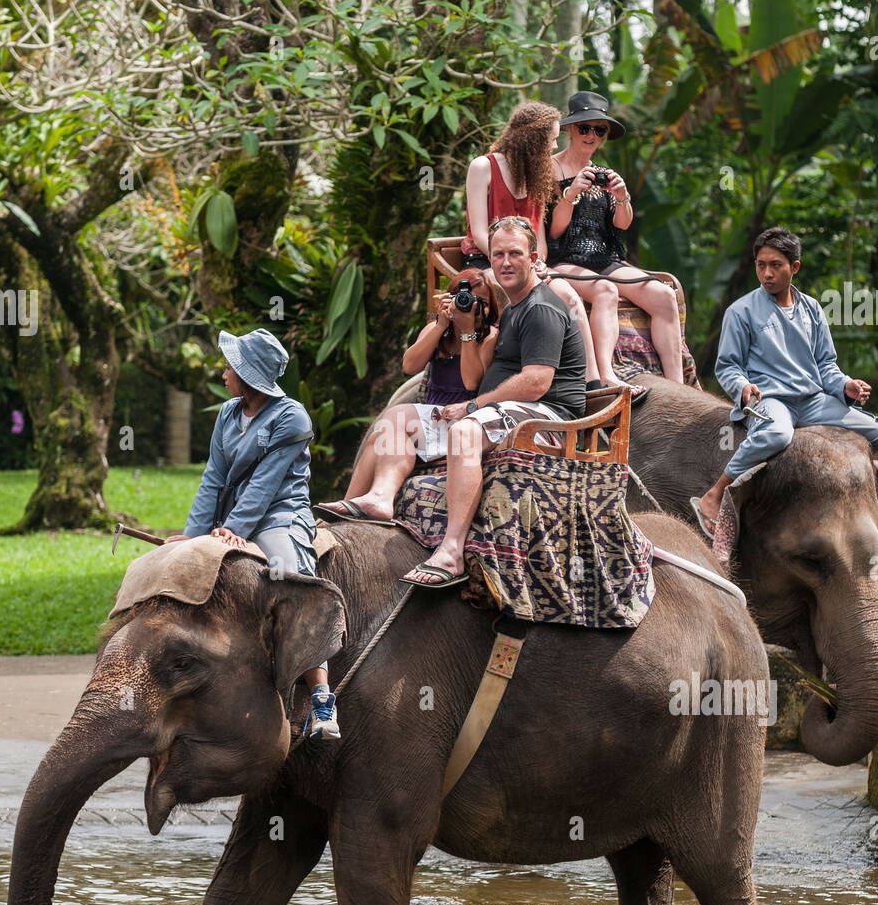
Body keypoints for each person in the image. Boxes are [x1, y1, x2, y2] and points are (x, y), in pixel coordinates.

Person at [321, 218, 589, 588]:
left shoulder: (540, 308)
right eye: (498, 254)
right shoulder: (512, 308)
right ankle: (373, 502)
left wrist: (474, 406)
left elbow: (536, 382)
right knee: (398, 416)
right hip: (505, 412)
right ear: (490, 260)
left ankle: (451, 551)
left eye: (515, 253)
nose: (506, 262)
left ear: (534, 257)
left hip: (549, 419)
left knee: (465, 430)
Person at [167, 329, 340, 740]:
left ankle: (321, 700)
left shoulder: (291, 417)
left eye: (231, 366)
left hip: (280, 516)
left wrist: (234, 530)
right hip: (232, 518)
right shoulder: (228, 413)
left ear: (249, 373)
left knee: (291, 581)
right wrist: (193, 537)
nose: (224, 372)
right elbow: (213, 478)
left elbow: (265, 483)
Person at [692, 228, 878, 536]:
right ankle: (716, 492)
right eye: (761, 265)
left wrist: (845, 386)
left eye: (776, 265)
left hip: (813, 401)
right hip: (771, 401)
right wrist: (743, 387)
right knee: (775, 434)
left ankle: (865, 502)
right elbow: (728, 366)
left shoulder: (811, 309)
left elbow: (826, 364)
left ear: (794, 267)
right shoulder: (741, 311)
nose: (767, 273)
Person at [316, 269, 498, 520]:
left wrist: (467, 332)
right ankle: (360, 504)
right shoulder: (437, 330)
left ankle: (369, 499)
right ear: (451, 301)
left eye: (483, 304)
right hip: (430, 419)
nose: (474, 308)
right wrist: (441, 325)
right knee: (382, 435)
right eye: (466, 300)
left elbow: (470, 382)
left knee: (395, 416)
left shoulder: (489, 336)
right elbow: (409, 366)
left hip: (462, 421)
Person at [460, 101, 618, 389]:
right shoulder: (483, 166)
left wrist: (538, 263)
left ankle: (593, 381)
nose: (555, 145)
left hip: (528, 263)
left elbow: (539, 236)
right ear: (532, 139)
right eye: (551, 139)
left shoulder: (538, 172)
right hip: (488, 259)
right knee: (507, 292)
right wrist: (511, 261)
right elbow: (481, 234)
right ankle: (508, 372)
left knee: (568, 296)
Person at [545, 90, 684, 384]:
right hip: (563, 259)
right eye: (585, 127)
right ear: (570, 128)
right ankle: (606, 376)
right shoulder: (550, 170)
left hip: (604, 258)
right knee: (606, 290)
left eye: (599, 129)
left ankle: (677, 385)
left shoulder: (603, 172)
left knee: (664, 295)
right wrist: (570, 196)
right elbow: (554, 232)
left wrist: (622, 197)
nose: (591, 135)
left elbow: (621, 225)